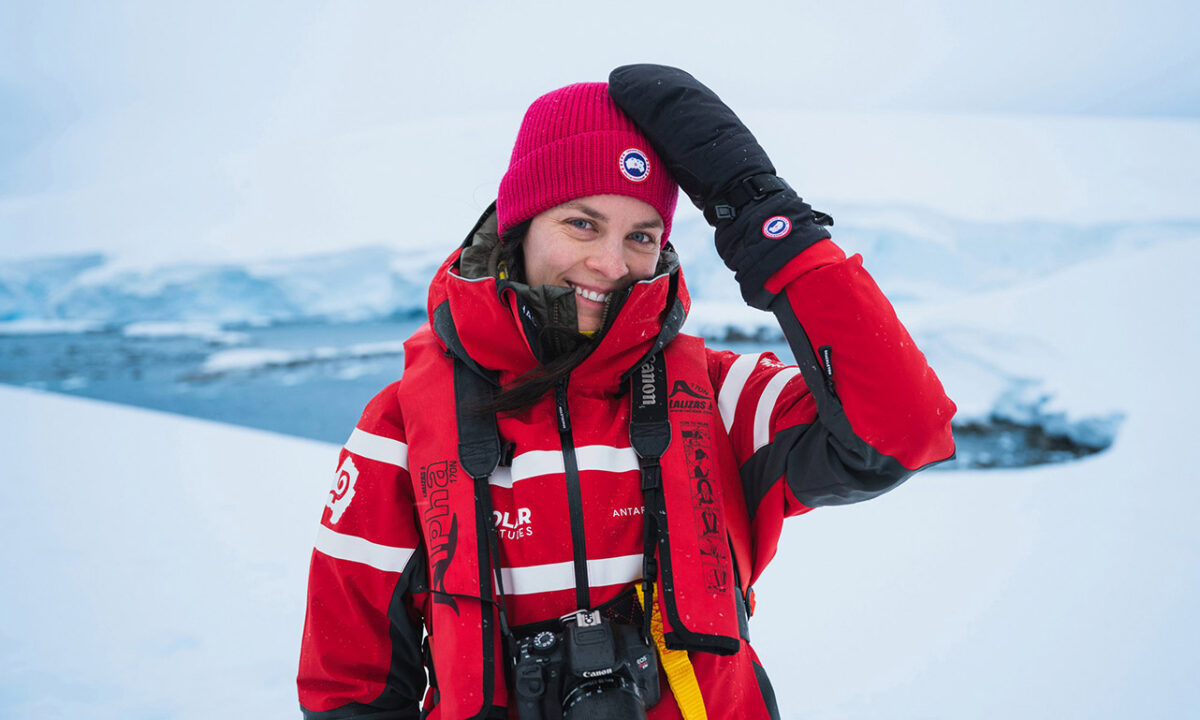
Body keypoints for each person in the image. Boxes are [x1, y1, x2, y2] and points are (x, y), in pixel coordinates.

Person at [297, 65, 955, 720]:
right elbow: (349, 688)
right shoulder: (402, 428)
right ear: (521, 227)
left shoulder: (715, 398)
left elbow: (901, 431)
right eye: (583, 225)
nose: (612, 266)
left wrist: (770, 222)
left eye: (641, 237)